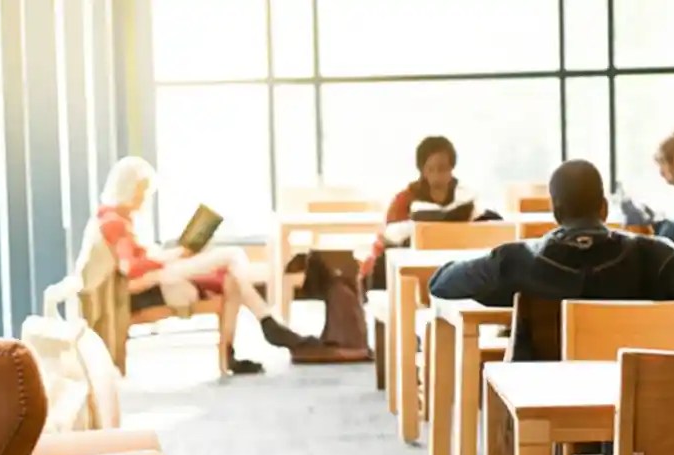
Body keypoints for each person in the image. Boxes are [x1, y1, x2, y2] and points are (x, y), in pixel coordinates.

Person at [79, 157, 315, 374]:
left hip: (158, 276)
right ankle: (268, 322)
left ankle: (232, 354)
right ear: (128, 190)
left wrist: (173, 255)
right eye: (142, 192)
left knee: (234, 278)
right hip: (149, 283)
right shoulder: (114, 223)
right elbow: (130, 268)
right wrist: (174, 255)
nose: (144, 198)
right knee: (232, 256)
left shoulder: (118, 219)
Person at [428, 158, 674, 314]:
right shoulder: (651, 256)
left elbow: (441, 283)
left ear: (555, 212)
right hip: (630, 388)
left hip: (538, 391)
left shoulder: (515, 262)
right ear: (604, 208)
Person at [360, 135, 497, 290]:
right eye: (431, 169)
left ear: (452, 168)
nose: (437, 175)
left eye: (443, 169)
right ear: (422, 170)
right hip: (412, 263)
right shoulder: (405, 199)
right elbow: (390, 234)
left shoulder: (465, 197)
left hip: (454, 263)